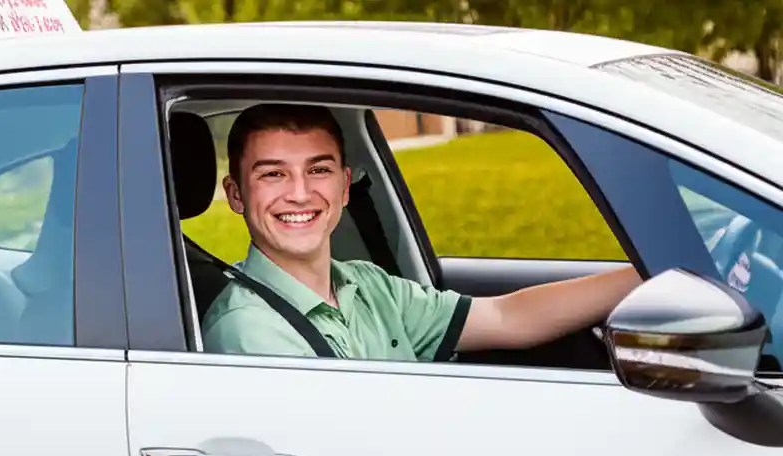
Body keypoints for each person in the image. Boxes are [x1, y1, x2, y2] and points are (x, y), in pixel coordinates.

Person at [201, 103, 643, 361]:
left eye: (318, 169)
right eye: (273, 175)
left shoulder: (366, 285)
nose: (300, 193)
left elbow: (508, 317)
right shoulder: (248, 329)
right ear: (236, 196)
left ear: (344, 185)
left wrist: (651, 272)